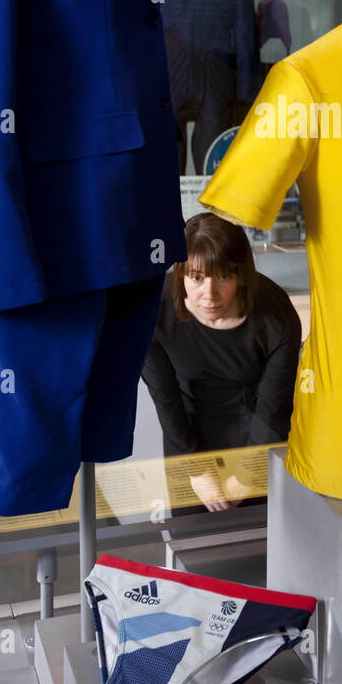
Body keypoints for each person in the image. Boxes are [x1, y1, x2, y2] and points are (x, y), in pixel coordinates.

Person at [141, 213, 302, 511]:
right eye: (196, 277)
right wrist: (195, 471)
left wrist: (246, 477)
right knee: (191, 543)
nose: (210, 295)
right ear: (180, 273)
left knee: (259, 542)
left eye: (224, 276)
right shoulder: (153, 314)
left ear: (241, 275)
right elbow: (166, 399)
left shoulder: (276, 317)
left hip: (259, 435)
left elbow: (273, 406)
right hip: (186, 436)